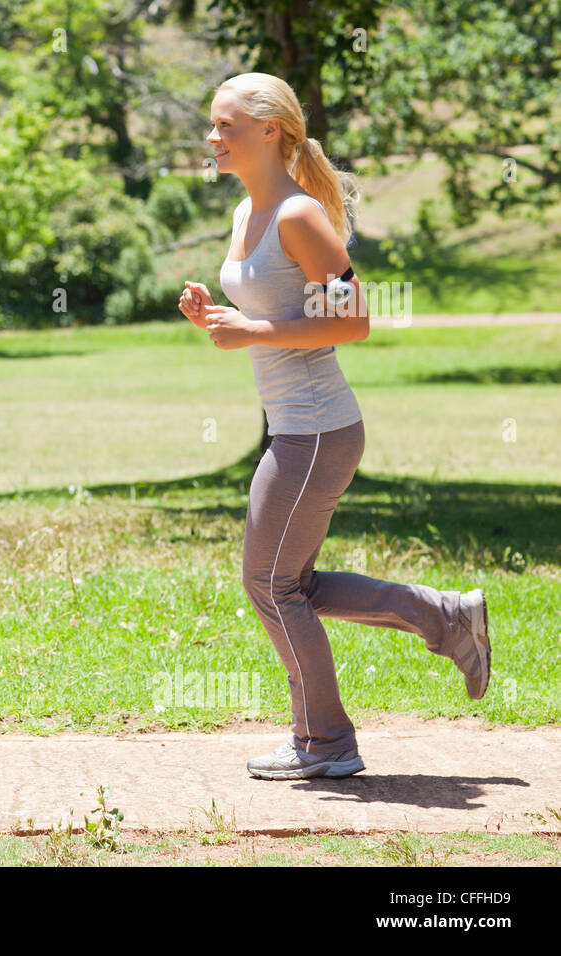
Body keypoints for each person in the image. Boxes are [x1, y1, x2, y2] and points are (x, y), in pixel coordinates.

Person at [176, 72, 491, 780]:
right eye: (213, 124)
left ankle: (326, 744)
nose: (212, 136)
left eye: (226, 125)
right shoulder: (246, 213)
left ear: (270, 130)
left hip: (317, 432)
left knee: (271, 585)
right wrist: (217, 317)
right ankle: (447, 619)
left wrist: (253, 327)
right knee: (292, 583)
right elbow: (272, 309)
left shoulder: (296, 215)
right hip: (299, 429)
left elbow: (355, 320)